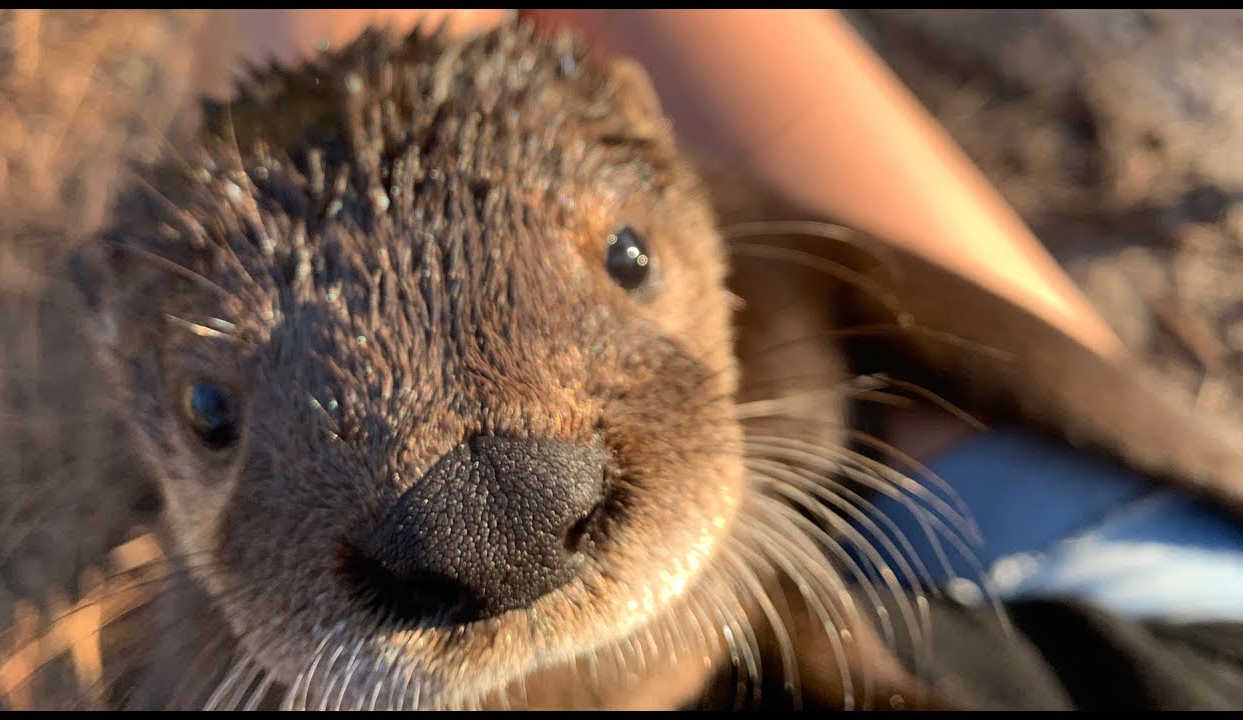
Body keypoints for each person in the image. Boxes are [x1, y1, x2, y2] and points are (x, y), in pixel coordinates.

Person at [199, 10, 1243, 709]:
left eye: (627, 262)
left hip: (986, 571)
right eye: (211, 412)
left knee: (309, 77)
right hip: (1162, 616)